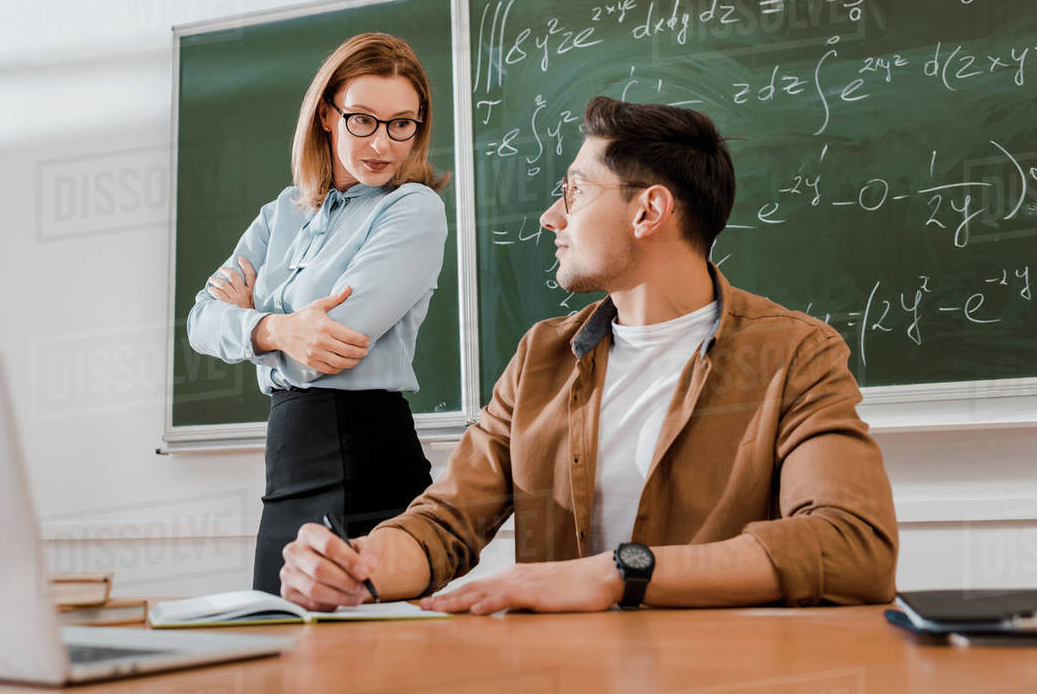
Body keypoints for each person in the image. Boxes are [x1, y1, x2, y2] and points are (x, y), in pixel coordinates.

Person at [277, 96, 899, 612]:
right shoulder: (541, 356)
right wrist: (360, 567)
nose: (551, 217)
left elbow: (852, 547)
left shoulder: (795, 355)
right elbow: (446, 524)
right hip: (564, 673)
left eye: (574, 191)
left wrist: (620, 573)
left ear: (648, 210)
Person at [186, 33, 448, 593]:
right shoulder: (282, 211)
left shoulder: (413, 209)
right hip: (287, 455)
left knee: (369, 668)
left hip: (365, 452)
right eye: (362, 120)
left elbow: (327, 352)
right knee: (274, 651)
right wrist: (277, 328)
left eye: (402, 123)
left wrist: (255, 330)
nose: (382, 143)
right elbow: (199, 322)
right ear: (328, 115)